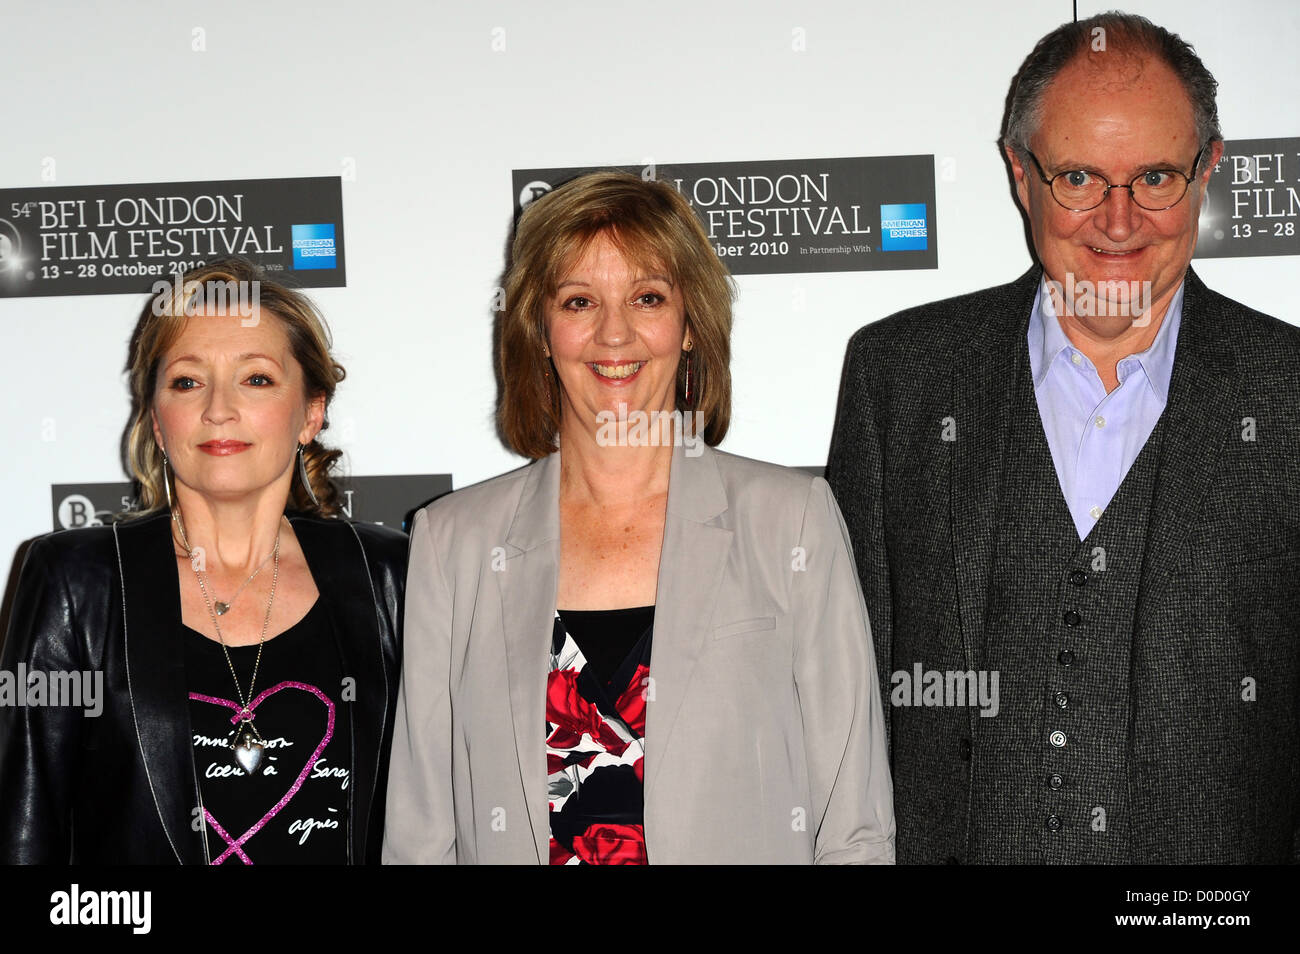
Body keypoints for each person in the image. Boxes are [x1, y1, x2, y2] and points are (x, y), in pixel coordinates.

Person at [827, 12, 1300, 864]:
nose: (1118, 224)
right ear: (1020, 175)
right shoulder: (898, 379)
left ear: (1208, 170)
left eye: (1155, 176)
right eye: (1079, 177)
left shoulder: (1288, 393)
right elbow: (843, 710)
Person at [384, 171, 893, 864]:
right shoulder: (455, 544)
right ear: (539, 328)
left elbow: (854, 825)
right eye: (579, 301)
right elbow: (420, 837)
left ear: (689, 326)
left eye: (647, 298)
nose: (614, 334)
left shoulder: (789, 523)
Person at [0, 259, 406, 864]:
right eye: (188, 382)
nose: (219, 409)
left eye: (258, 379)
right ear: (157, 420)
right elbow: (23, 834)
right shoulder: (73, 582)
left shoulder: (391, 578)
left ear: (311, 412)